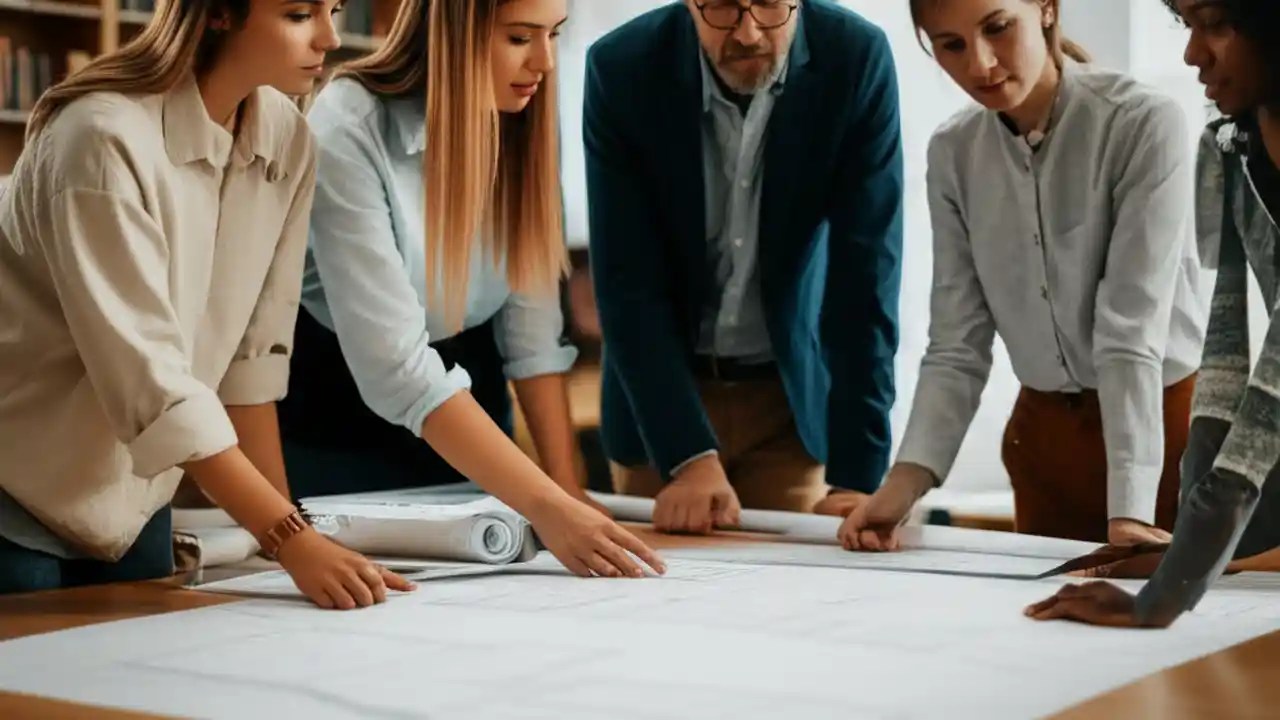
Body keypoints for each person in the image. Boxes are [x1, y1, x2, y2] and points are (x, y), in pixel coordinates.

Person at [0, 0, 416, 608]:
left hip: (134, 500)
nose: (330, 36)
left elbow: (252, 361)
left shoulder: (288, 138)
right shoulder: (99, 138)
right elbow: (155, 384)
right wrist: (290, 538)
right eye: (300, 14)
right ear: (219, 13)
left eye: (333, 8)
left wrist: (285, 543)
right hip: (18, 485)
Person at [276, 0, 664, 580]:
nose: (545, 61)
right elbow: (397, 368)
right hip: (340, 421)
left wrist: (567, 489)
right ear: (452, 32)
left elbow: (531, 338)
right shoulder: (348, 123)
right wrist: (546, 504)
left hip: (474, 419)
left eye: (553, 35)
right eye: (519, 37)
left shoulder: (522, 115)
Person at [838, 0, 1205, 551]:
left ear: (1047, 10)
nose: (980, 65)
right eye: (951, 45)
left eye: (998, 28)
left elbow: (1131, 331)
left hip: (1169, 433)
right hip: (1043, 444)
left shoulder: (1144, 122)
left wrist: (1129, 508)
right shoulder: (953, 153)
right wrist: (902, 486)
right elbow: (957, 345)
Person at [584, 0, 904, 534]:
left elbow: (867, 280)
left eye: (771, 6)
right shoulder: (621, 66)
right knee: (655, 603)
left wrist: (857, 477)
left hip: (789, 406)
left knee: (789, 605)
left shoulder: (856, 58)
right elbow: (626, 283)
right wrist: (687, 455)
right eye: (724, 7)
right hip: (660, 404)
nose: (749, 33)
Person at [1027, 0, 1280, 627]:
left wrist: (1167, 595)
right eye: (1187, 26)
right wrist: (1179, 551)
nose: (1193, 54)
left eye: (1216, 24)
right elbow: (1226, 354)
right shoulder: (1227, 144)